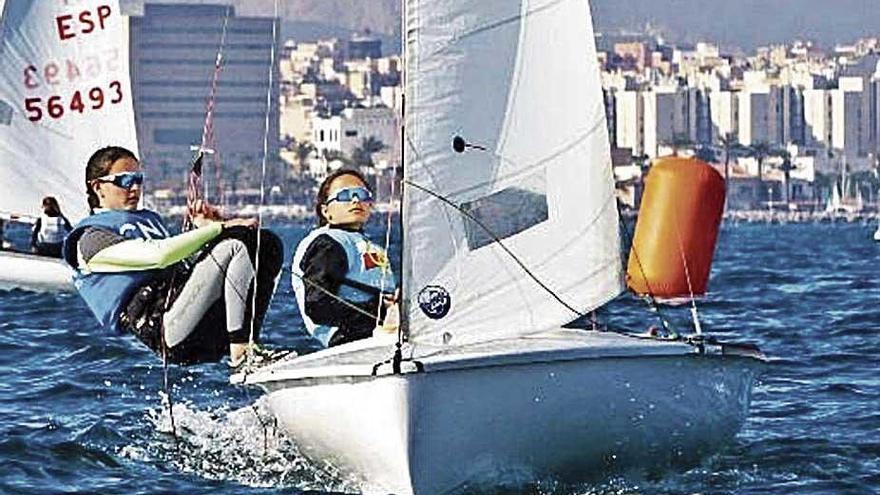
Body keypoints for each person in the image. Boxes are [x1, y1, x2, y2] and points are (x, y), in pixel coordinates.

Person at [62, 146, 286, 369]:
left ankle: (248, 346)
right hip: (164, 329)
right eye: (124, 180)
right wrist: (219, 229)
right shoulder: (90, 239)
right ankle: (243, 355)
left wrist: (205, 228)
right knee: (236, 244)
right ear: (98, 187)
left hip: (192, 313)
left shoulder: (149, 220)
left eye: (139, 179)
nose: (135, 187)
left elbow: (186, 266)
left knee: (264, 243)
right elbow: (159, 256)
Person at [291, 169, 399, 347]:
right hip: (348, 338)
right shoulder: (328, 244)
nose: (356, 200)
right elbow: (318, 306)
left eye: (362, 195)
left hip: (383, 333)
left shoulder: (367, 244)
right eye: (345, 196)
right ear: (326, 211)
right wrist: (378, 310)